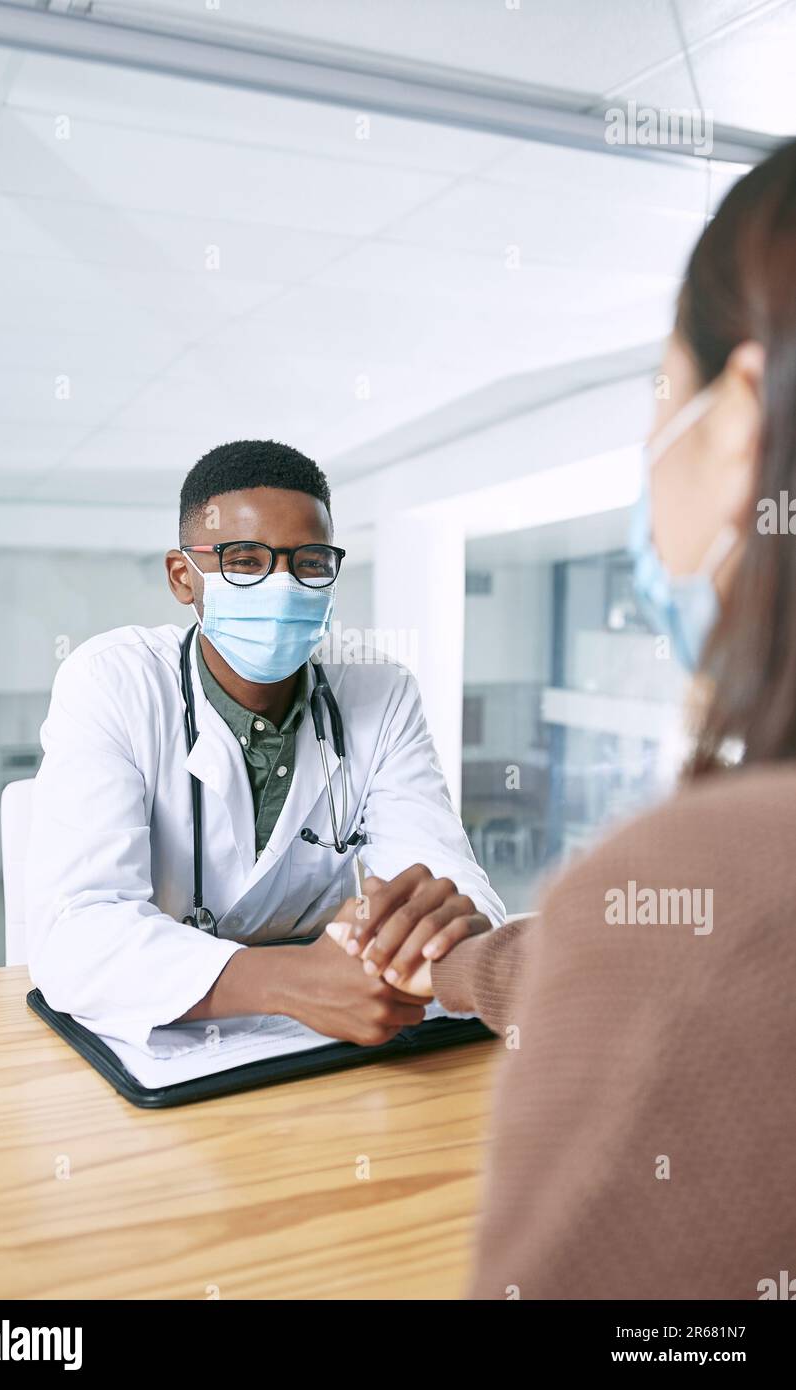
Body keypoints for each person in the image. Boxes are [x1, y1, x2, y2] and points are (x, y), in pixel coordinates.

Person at [335, 142, 796, 1299]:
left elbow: (696, 954)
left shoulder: (721, 886)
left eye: (658, 398)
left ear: (738, 421)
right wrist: (459, 965)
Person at [25, 441, 504, 1054]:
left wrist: (435, 927)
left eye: (308, 563)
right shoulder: (112, 682)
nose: (282, 586)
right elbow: (75, 935)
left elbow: (446, 876)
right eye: (244, 561)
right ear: (182, 576)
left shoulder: (381, 694)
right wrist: (286, 982)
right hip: (166, 1052)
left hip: (336, 1050)